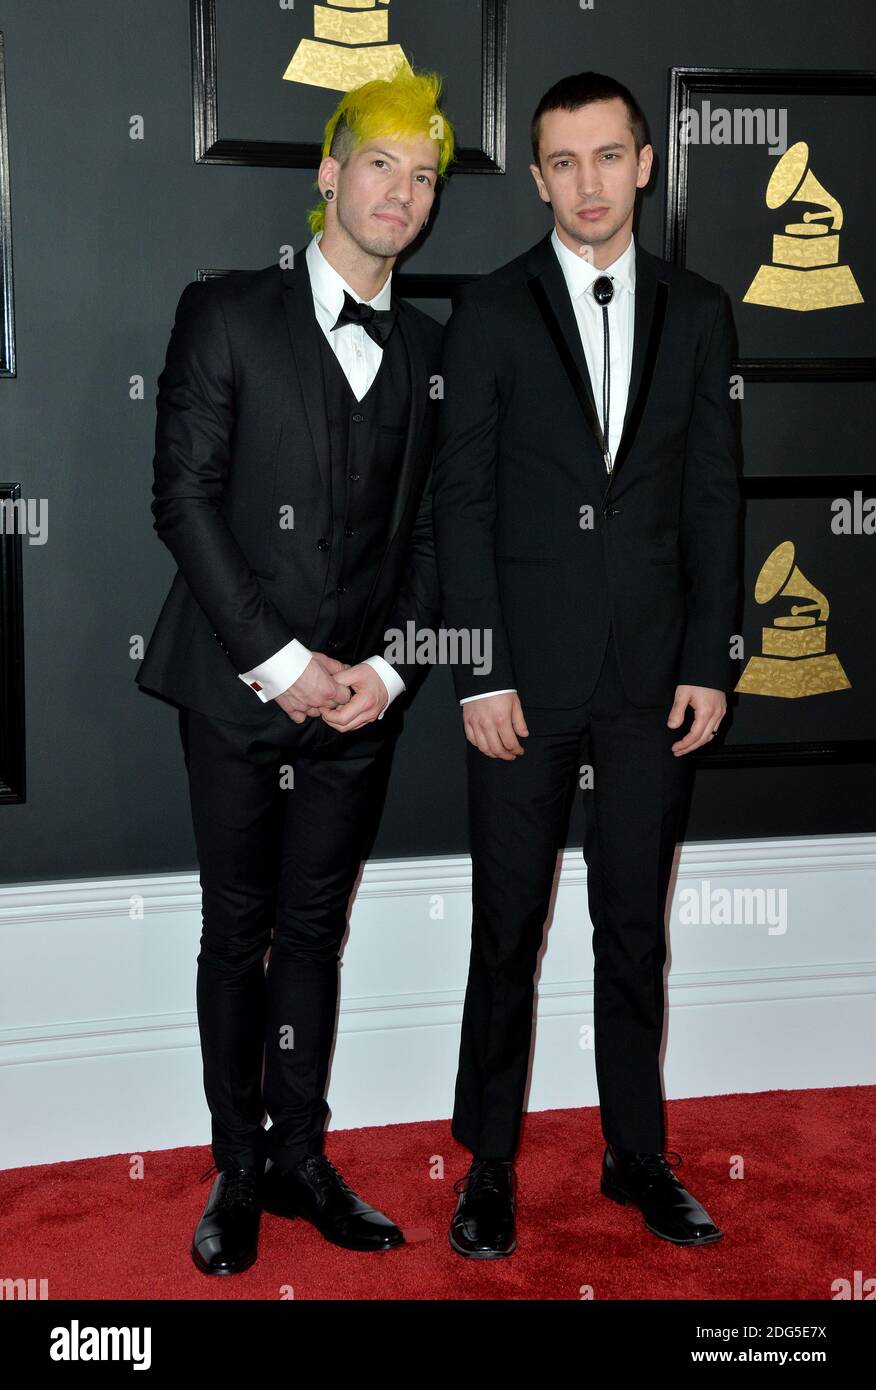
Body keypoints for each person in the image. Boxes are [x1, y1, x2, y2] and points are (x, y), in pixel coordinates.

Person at [135, 64, 455, 1274]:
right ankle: (234, 1166)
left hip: (363, 704)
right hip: (232, 685)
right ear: (330, 173)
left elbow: (437, 535)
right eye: (381, 164)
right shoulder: (223, 311)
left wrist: (387, 671)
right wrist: (280, 660)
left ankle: (300, 1157)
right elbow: (183, 500)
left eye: (423, 177)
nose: (403, 193)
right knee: (238, 929)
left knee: (317, 928)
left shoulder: (433, 347)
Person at [432, 71, 742, 1258]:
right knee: (506, 926)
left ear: (646, 163)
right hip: (524, 681)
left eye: (608, 157)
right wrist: (479, 670)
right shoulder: (492, 311)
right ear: (539, 176)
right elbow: (460, 503)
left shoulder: (702, 310)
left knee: (634, 926)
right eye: (563, 162)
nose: (588, 183)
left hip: (654, 681)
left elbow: (715, 497)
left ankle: (635, 1154)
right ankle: (490, 1164)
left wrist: (714, 658)